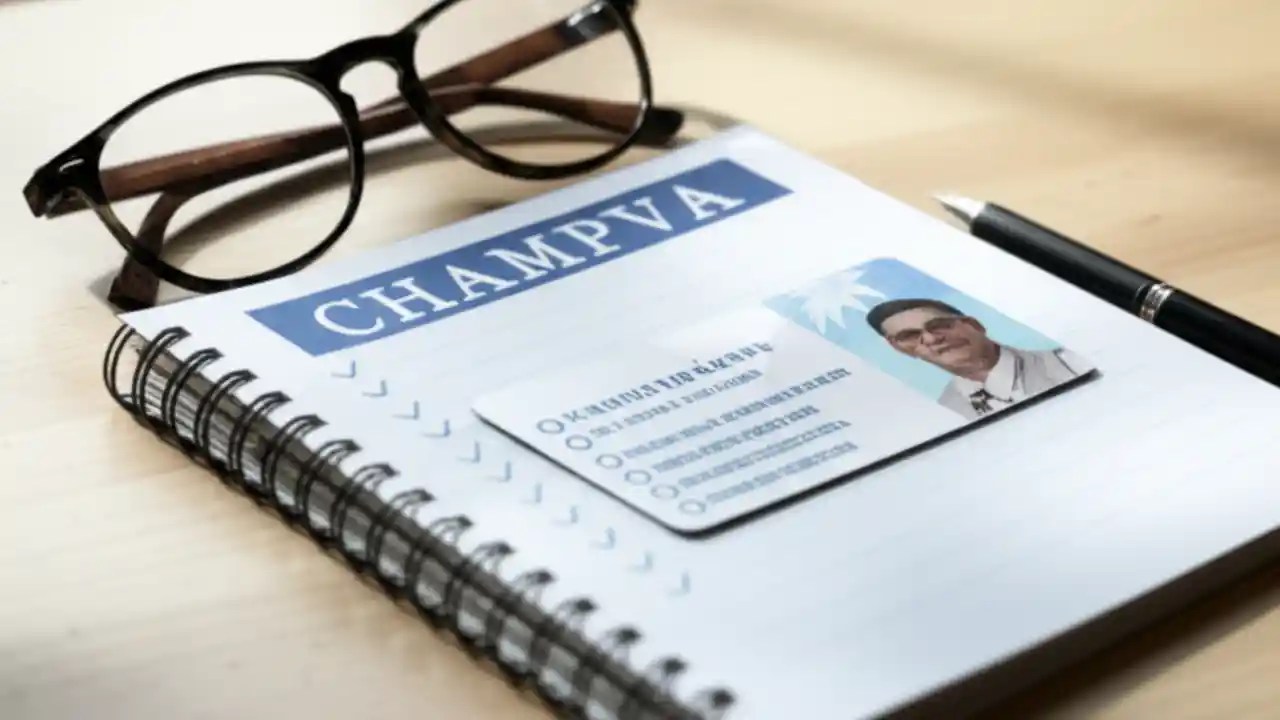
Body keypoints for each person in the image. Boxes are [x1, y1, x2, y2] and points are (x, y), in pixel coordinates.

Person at [865, 298, 1087, 419]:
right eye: (910, 336)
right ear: (900, 349)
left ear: (974, 325)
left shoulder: (1071, 362)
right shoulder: (944, 414)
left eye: (940, 325)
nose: (932, 339)